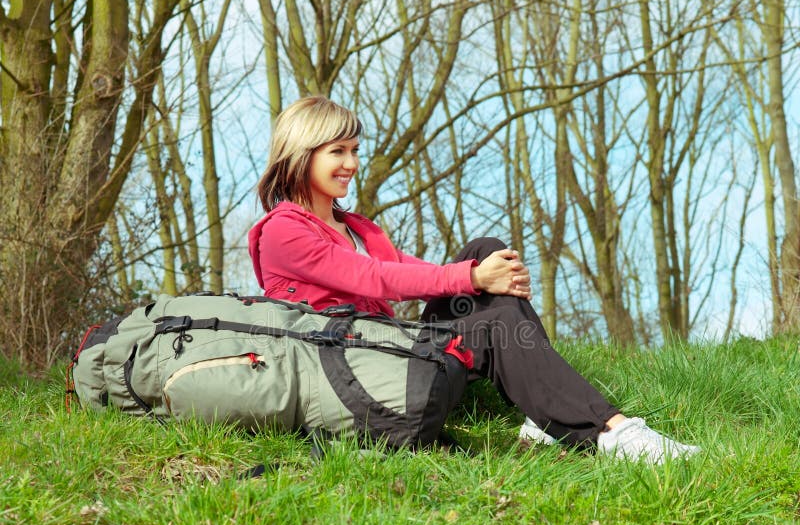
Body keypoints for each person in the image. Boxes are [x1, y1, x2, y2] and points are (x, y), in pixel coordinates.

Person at [248, 96, 698, 463]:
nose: (351, 163)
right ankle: (612, 432)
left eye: (354, 150)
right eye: (337, 152)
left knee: (485, 248)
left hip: (388, 346)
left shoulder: (357, 227)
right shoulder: (284, 231)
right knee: (493, 310)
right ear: (302, 154)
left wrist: (484, 275)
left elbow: (413, 268)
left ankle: (550, 416)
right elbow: (374, 278)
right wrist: (474, 278)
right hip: (353, 364)